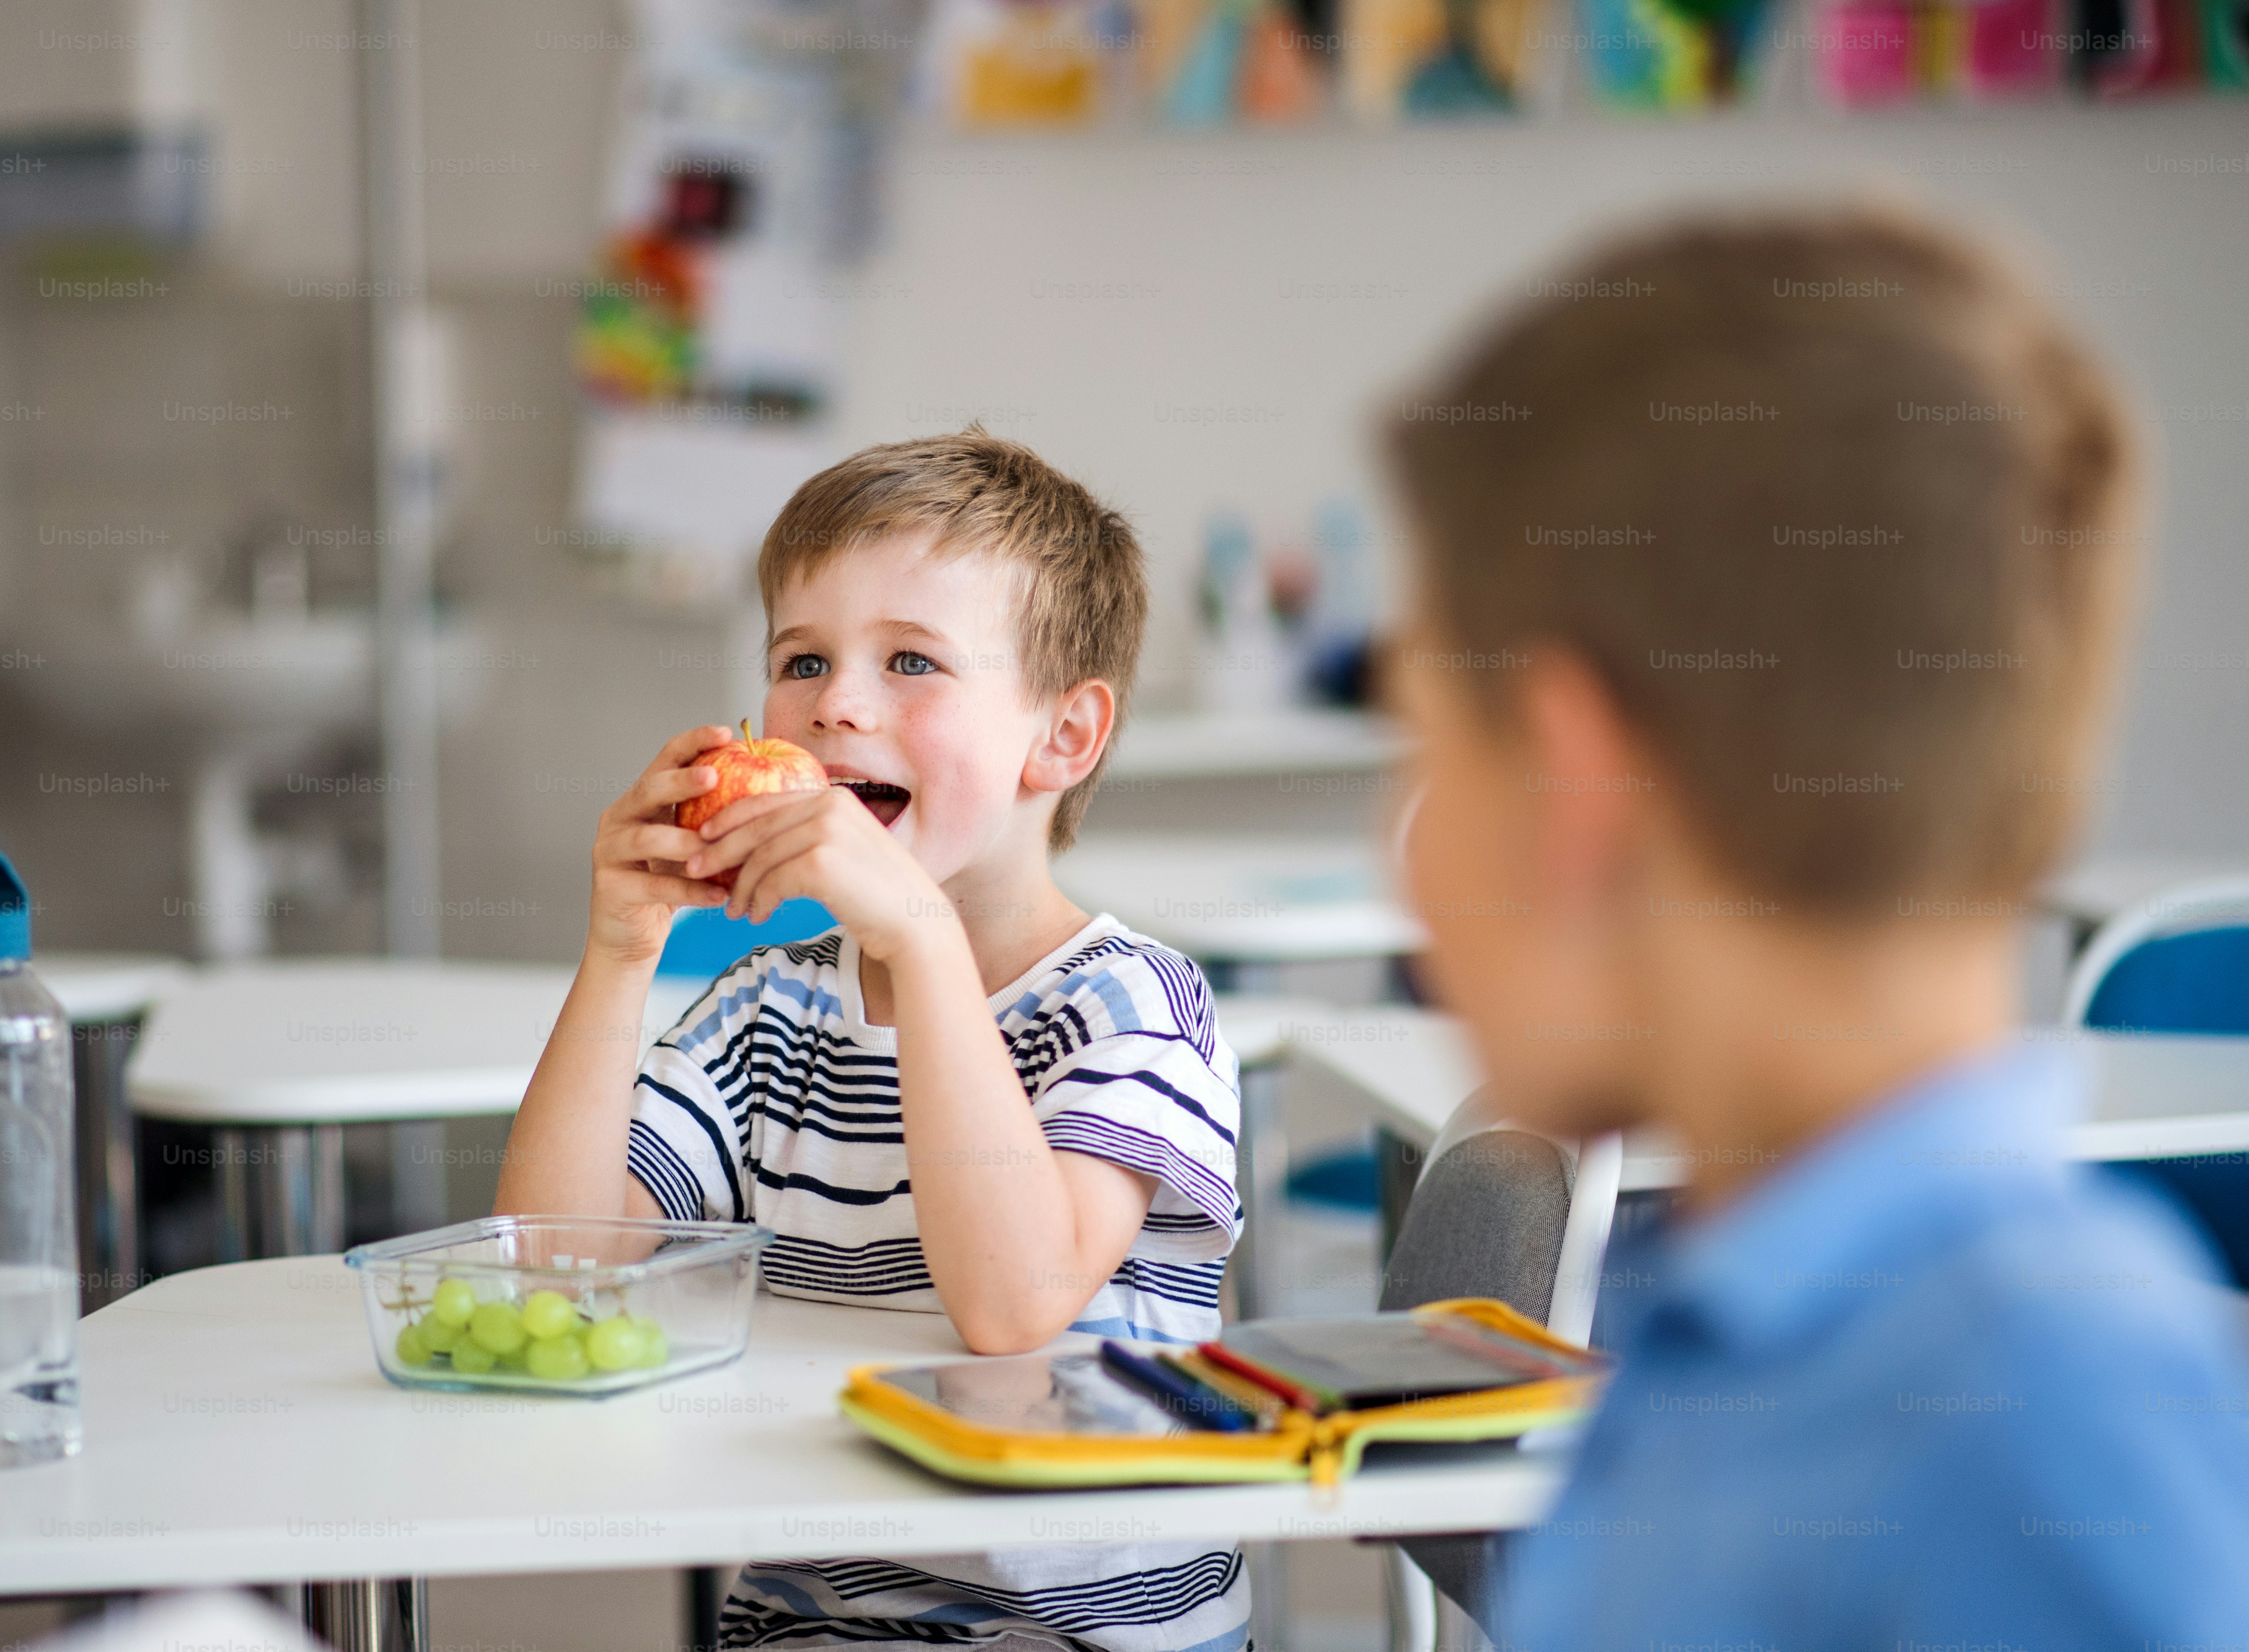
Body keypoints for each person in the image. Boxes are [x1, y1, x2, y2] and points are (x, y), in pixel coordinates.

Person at [1377, 207, 2249, 1649]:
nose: (1405, 873)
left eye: (1423, 752)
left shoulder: (2038, 1410)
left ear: (1577, 788)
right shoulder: (1720, 1319)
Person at [496, 431, 1251, 1651]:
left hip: (1085, 1637)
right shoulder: (768, 1009)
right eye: (801, 660)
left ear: (1062, 737)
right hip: (811, 1627)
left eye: (910, 660)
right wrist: (620, 955)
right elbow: (562, 1266)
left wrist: (921, 944)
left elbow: (1014, 1307)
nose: (836, 704)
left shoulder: (1135, 1009)